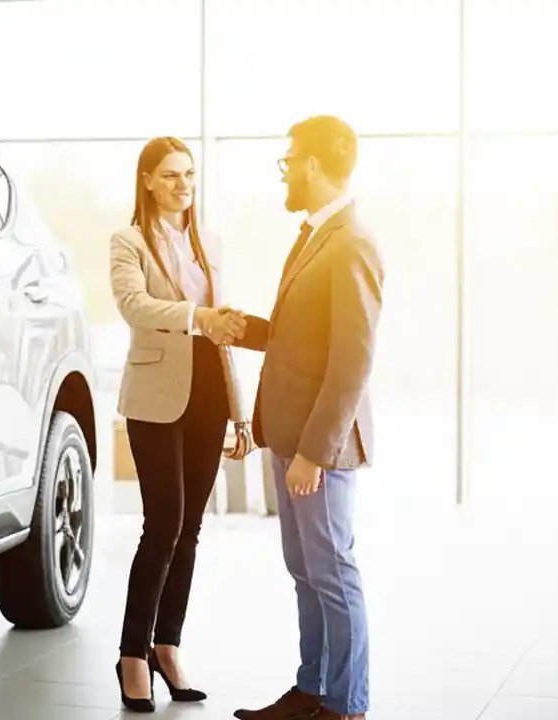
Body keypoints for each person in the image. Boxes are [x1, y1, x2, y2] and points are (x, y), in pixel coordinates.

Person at [230, 116, 384, 720]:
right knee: (306, 570)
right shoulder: (315, 236)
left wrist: (316, 453)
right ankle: (312, 690)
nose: (286, 172)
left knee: (333, 573)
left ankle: (346, 707)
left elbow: (353, 360)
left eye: (289, 160)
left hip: (319, 449)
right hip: (291, 438)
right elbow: (302, 338)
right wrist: (242, 328)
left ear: (314, 164)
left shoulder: (352, 242)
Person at [109, 136, 254, 713]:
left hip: (209, 391)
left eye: (189, 174)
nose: (182, 185)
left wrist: (239, 412)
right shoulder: (127, 241)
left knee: (190, 526)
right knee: (162, 522)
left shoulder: (208, 242)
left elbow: (224, 331)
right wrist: (197, 316)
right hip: (154, 396)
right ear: (147, 180)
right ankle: (131, 653)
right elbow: (134, 305)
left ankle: (167, 646)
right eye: (170, 175)